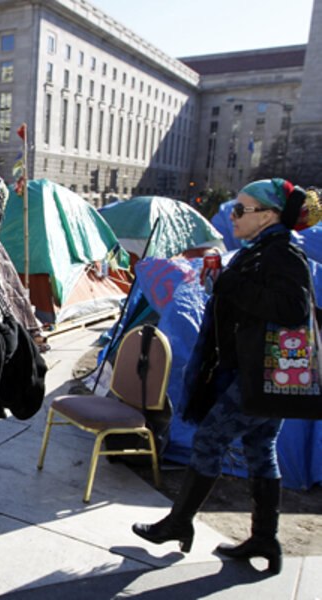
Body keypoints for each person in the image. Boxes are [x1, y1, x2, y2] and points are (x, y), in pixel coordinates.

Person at [132, 179, 312, 574]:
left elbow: (292, 308)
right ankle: (264, 538)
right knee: (260, 449)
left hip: (261, 376)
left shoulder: (282, 253)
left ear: (268, 215)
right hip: (264, 377)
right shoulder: (264, 249)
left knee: (209, 439)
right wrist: (221, 281)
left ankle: (179, 523)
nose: (233, 217)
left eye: (241, 210)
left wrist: (229, 281)